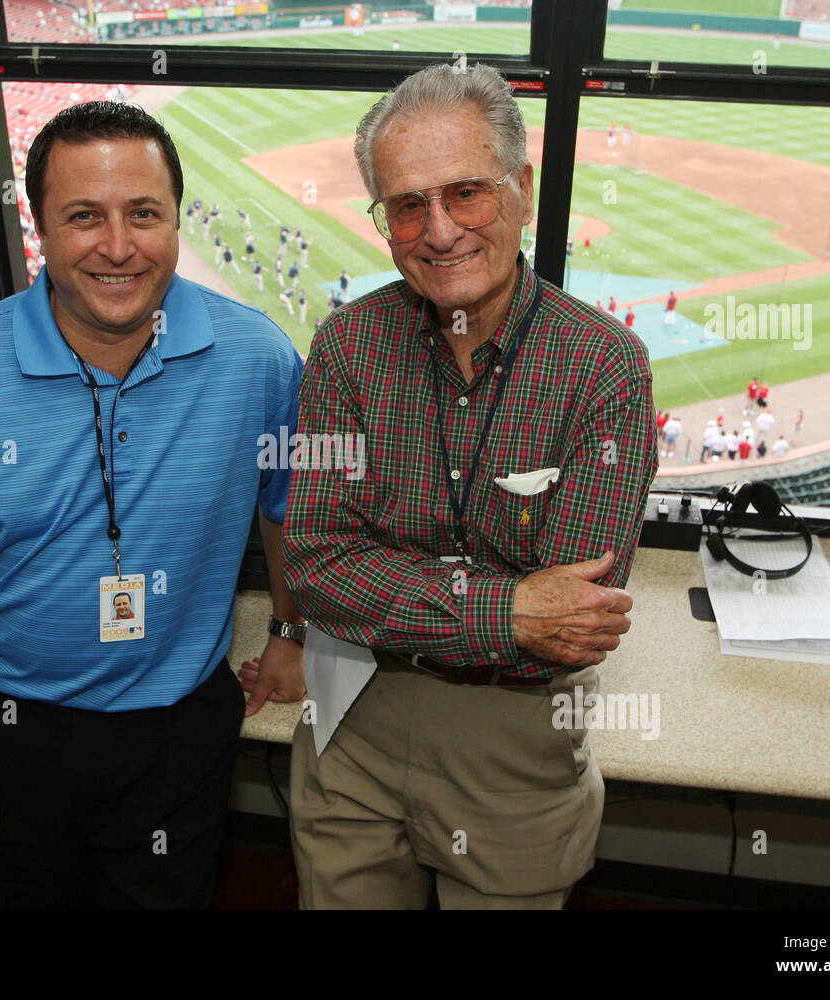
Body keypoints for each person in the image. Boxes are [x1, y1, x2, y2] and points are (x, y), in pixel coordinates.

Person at [0, 101, 306, 910]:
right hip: (9, 725)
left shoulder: (258, 359)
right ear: (41, 228)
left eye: (144, 214)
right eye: (84, 216)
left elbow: (289, 505)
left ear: (175, 220)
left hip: (179, 723)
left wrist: (294, 630)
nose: (118, 247)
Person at [282, 63, 658, 910]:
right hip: (350, 713)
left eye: (467, 193)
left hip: (512, 743)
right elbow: (313, 565)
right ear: (383, 221)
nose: (440, 230)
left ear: (521, 190)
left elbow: (573, 619)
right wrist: (508, 609)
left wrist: (387, 585)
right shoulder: (345, 346)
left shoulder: (604, 366)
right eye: (407, 204)